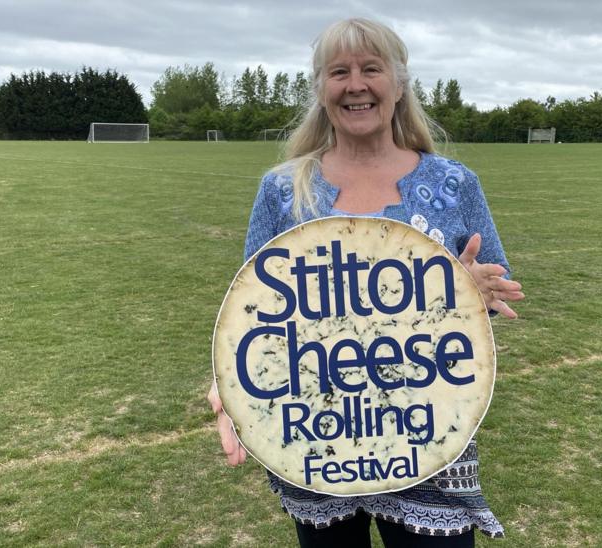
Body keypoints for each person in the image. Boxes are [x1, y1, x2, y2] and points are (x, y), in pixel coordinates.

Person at [208, 17, 524, 547]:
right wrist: (227, 385)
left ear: (399, 85)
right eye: (339, 71)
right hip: (319, 432)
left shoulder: (453, 183)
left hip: (427, 435)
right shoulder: (284, 190)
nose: (355, 84)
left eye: (371, 69)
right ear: (320, 89)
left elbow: (494, 289)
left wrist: (467, 290)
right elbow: (254, 310)